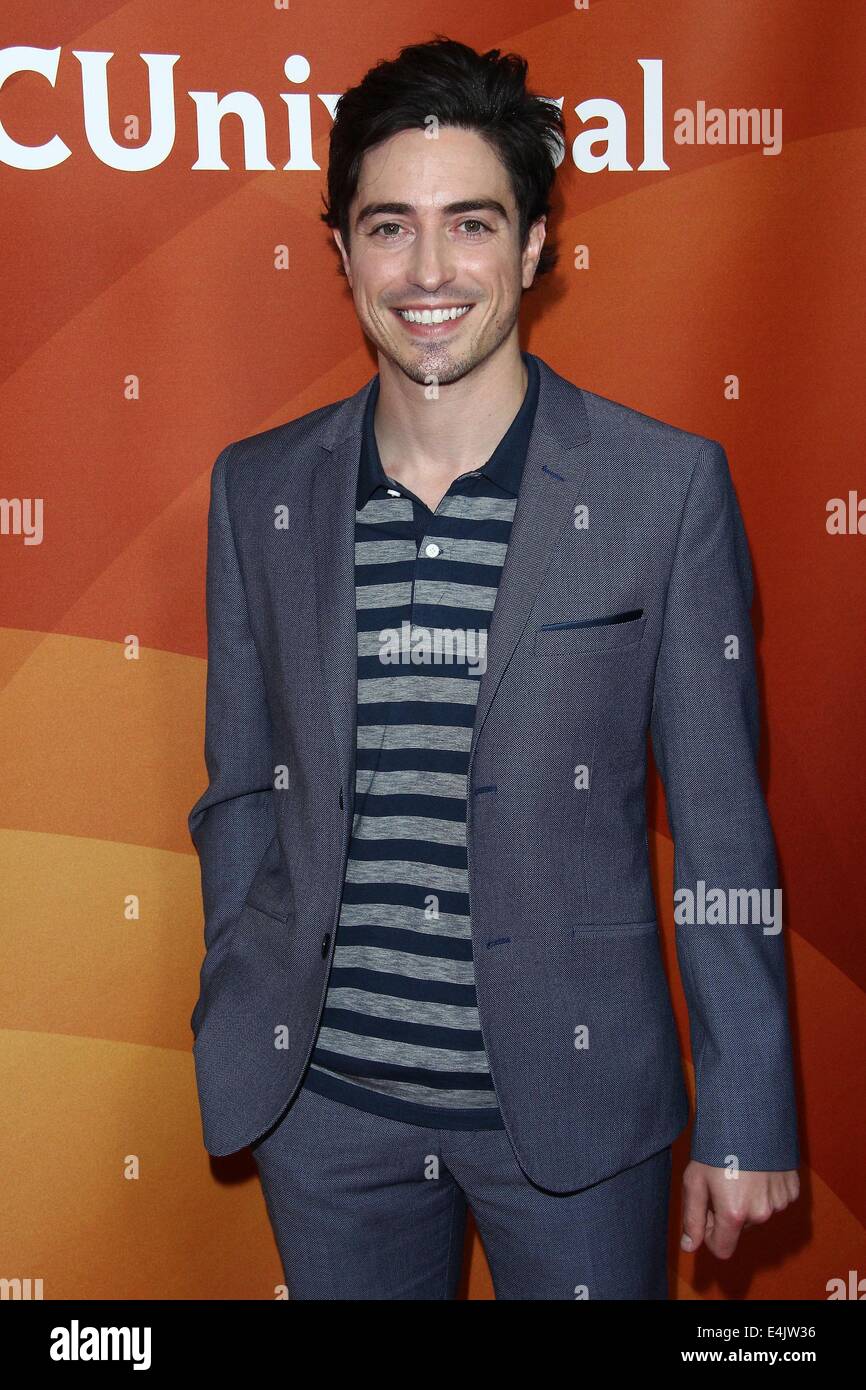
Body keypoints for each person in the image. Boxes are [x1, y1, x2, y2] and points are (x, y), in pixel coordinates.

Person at [188, 36, 800, 1300]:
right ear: (340, 253)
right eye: (387, 228)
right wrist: (243, 997)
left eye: (469, 224)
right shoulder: (261, 490)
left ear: (529, 249)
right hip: (328, 1117)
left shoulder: (660, 489)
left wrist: (744, 1104)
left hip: (575, 1124)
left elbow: (724, 829)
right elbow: (241, 785)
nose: (427, 271)